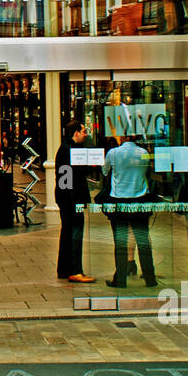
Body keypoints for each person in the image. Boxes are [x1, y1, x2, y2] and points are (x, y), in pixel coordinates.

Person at [102, 135, 157, 288]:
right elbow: (147, 171)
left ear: (122, 137)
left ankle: (120, 279)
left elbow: (105, 171)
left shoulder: (113, 153)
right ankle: (150, 278)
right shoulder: (143, 153)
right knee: (143, 240)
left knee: (120, 242)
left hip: (119, 200)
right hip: (139, 199)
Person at [54, 120, 94, 283]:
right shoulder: (68, 150)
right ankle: (75, 270)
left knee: (68, 233)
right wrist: (72, 200)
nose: (85, 134)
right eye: (83, 131)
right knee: (75, 233)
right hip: (72, 199)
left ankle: (64, 269)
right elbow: (66, 178)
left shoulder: (68, 149)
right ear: (75, 133)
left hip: (68, 198)